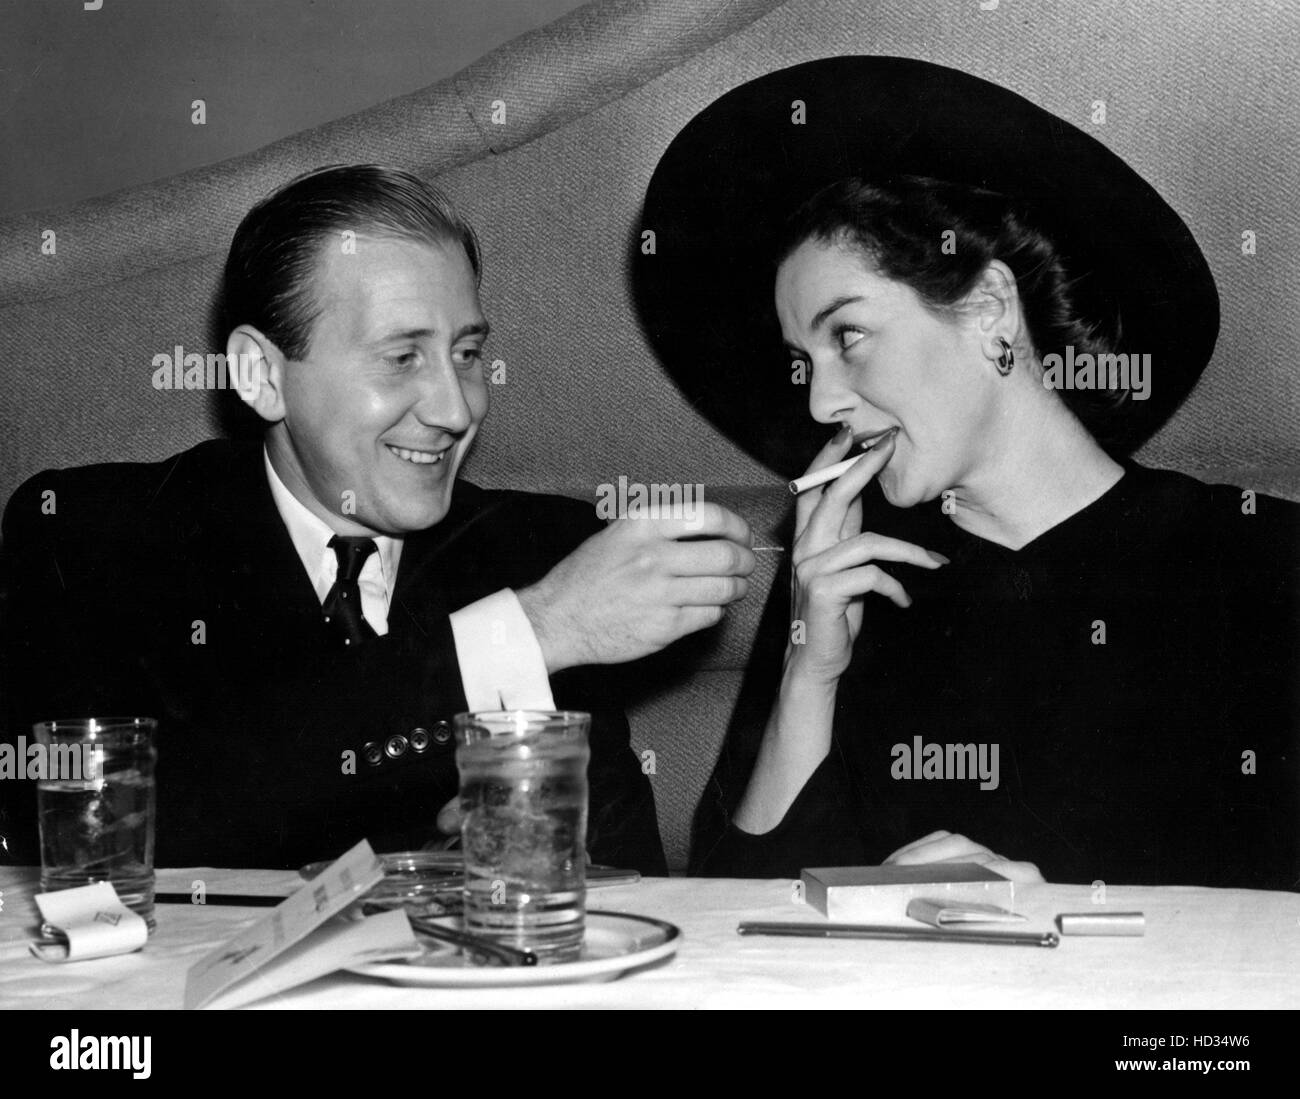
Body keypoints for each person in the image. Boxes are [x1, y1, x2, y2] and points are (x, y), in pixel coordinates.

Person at [635, 57, 1300, 889]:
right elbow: (736, 913)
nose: (821, 402)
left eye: (846, 337)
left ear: (989, 307)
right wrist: (812, 668)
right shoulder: (844, 571)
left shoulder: (1263, 562)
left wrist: (1061, 921)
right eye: (804, 361)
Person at [0, 164, 758, 873]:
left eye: (466, 354)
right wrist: (527, 634)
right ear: (262, 376)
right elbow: (104, 843)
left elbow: (623, 881)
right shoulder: (93, 537)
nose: (456, 409)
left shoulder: (540, 553)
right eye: (402, 358)